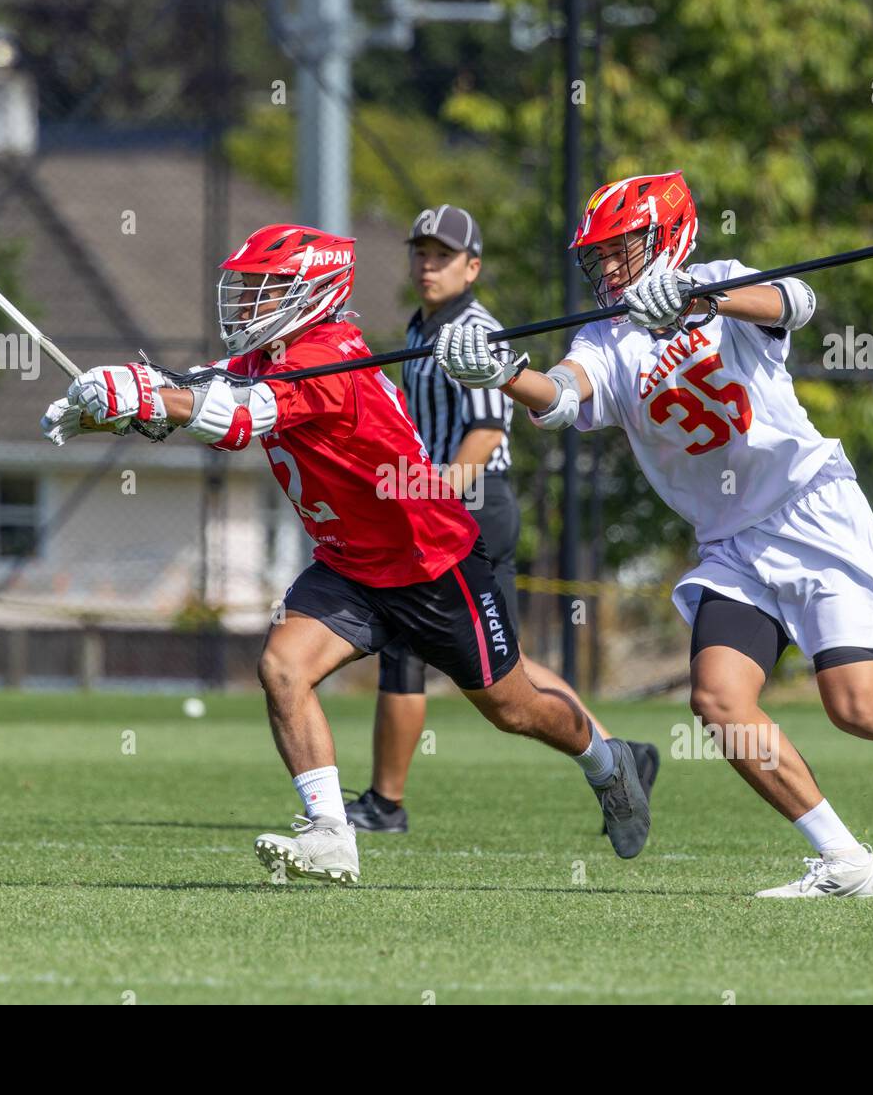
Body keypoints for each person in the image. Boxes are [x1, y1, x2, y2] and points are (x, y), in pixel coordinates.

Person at [432, 171, 873, 898]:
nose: (605, 270)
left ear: (667, 236)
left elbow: (799, 301)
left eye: (619, 251)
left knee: (864, 711)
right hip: (732, 544)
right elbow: (565, 398)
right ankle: (846, 861)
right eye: (595, 258)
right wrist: (507, 372)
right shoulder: (604, 336)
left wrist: (700, 299)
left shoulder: (721, 281)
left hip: (811, 510)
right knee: (719, 700)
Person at [40, 223, 653, 885]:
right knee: (282, 668)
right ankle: (331, 833)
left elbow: (234, 418)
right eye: (247, 291)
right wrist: (114, 398)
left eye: (265, 292)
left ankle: (607, 760)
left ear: (315, 293)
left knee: (513, 708)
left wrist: (147, 400)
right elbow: (201, 385)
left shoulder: (328, 357)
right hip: (349, 564)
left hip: (429, 562)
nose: (247, 307)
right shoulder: (273, 354)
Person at [344, 204, 659, 834]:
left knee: (408, 648)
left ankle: (386, 803)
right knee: (504, 664)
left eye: (443, 256)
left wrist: (435, 499)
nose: (427, 265)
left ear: (473, 266)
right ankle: (621, 754)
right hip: (451, 505)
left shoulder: (475, 329)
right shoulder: (421, 325)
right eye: (421, 253)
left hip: (471, 505)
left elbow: (486, 432)